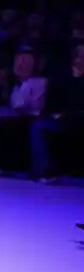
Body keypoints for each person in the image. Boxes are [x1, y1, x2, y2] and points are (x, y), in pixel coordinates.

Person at [28, 44, 84, 182]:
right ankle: (44, 171)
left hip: (80, 118)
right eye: (80, 56)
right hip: (61, 119)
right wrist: (53, 114)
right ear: (75, 58)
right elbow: (51, 102)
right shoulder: (61, 77)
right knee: (38, 127)